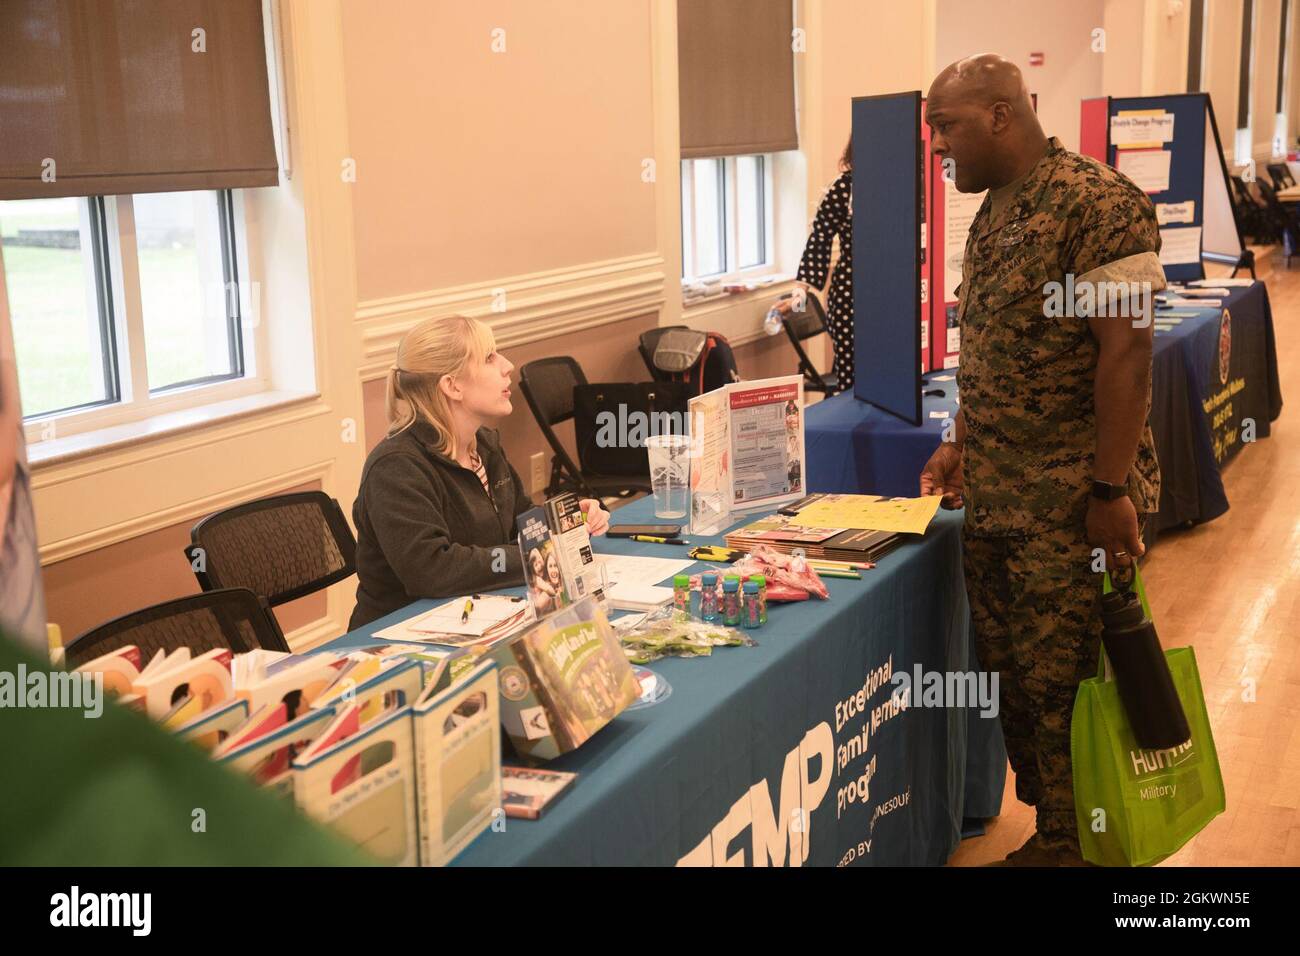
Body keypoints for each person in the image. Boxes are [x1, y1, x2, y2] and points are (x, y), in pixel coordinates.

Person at [918, 55, 1163, 866]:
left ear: (999, 114)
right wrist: (960, 440)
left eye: (945, 126)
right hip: (999, 497)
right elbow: (992, 350)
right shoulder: (994, 211)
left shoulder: (1095, 203)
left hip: (1069, 505)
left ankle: (1089, 847)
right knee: (1017, 688)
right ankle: (1059, 837)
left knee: (1066, 689)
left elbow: (1125, 355)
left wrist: (1108, 488)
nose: (936, 145)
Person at [349, 315, 609, 629]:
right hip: (402, 636)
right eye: (489, 358)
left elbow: (522, 519)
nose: (507, 365)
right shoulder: (396, 467)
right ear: (452, 385)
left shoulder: (483, 444)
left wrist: (568, 521)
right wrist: (536, 556)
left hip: (480, 616)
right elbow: (433, 570)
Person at [777, 139, 855, 392]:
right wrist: (798, 298)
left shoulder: (898, 186)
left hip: (889, 290)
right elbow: (818, 242)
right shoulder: (844, 188)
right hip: (849, 296)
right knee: (851, 375)